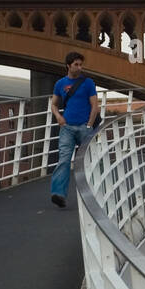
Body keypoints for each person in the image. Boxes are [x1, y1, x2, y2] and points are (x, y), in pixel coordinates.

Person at [49, 51, 100, 208]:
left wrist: (89, 124)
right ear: (68, 66)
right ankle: (58, 194)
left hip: (84, 127)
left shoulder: (88, 83)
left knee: (89, 161)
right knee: (64, 160)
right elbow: (54, 104)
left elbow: (94, 105)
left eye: (80, 64)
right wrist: (58, 116)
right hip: (67, 128)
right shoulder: (60, 84)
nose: (79, 67)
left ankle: (96, 193)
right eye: (76, 64)